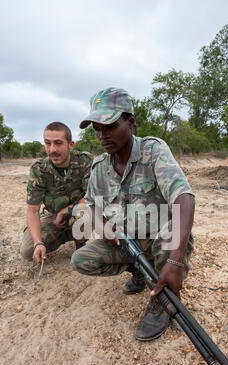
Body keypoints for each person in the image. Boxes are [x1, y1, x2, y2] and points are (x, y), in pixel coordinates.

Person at [71, 88, 194, 342]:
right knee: (81, 260)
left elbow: (184, 197)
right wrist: (101, 226)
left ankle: (162, 299)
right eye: (96, 128)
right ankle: (139, 272)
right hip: (127, 242)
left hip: (161, 241)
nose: (102, 135)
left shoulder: (154, 151)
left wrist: (175, 262)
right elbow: (92, 204)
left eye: (110, 126)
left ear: (131, 122)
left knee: (170, 233)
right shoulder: (99, 166)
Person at [20, 121, 92, 264]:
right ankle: (65, 234)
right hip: (52, 215)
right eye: (48, 143)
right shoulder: (39, 169)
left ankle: (80, 244)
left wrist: (65, 211)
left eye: (58, 143)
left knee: (85, 215)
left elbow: (93, 197)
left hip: (79, 212)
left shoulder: (85, 161)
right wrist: (38, 243)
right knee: (27, 250)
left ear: (70, 145)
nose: (52, 149)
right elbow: (32, 211)